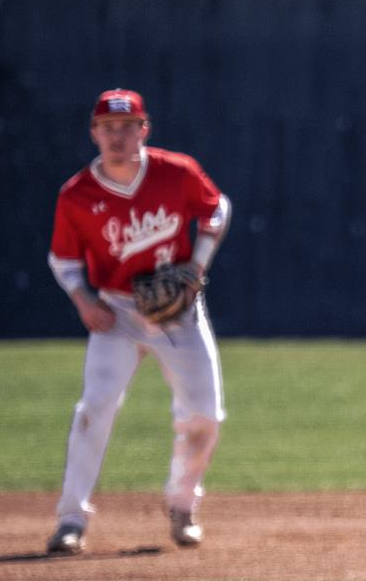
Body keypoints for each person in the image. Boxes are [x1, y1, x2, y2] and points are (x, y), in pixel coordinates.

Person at [44, 89, 231, 554]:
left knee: (205, 414)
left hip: (178, 309)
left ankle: (182, 505)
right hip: (117, 312)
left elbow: (216, 209)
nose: (117, 136)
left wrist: (197, 268)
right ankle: (71, 519)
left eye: (127, 127)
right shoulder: (77, 195)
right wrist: (84, 301)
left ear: (144, 130)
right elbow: (63, 260)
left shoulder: (176, 172)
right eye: (107, 127)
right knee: (94, 409)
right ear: (94, 133)